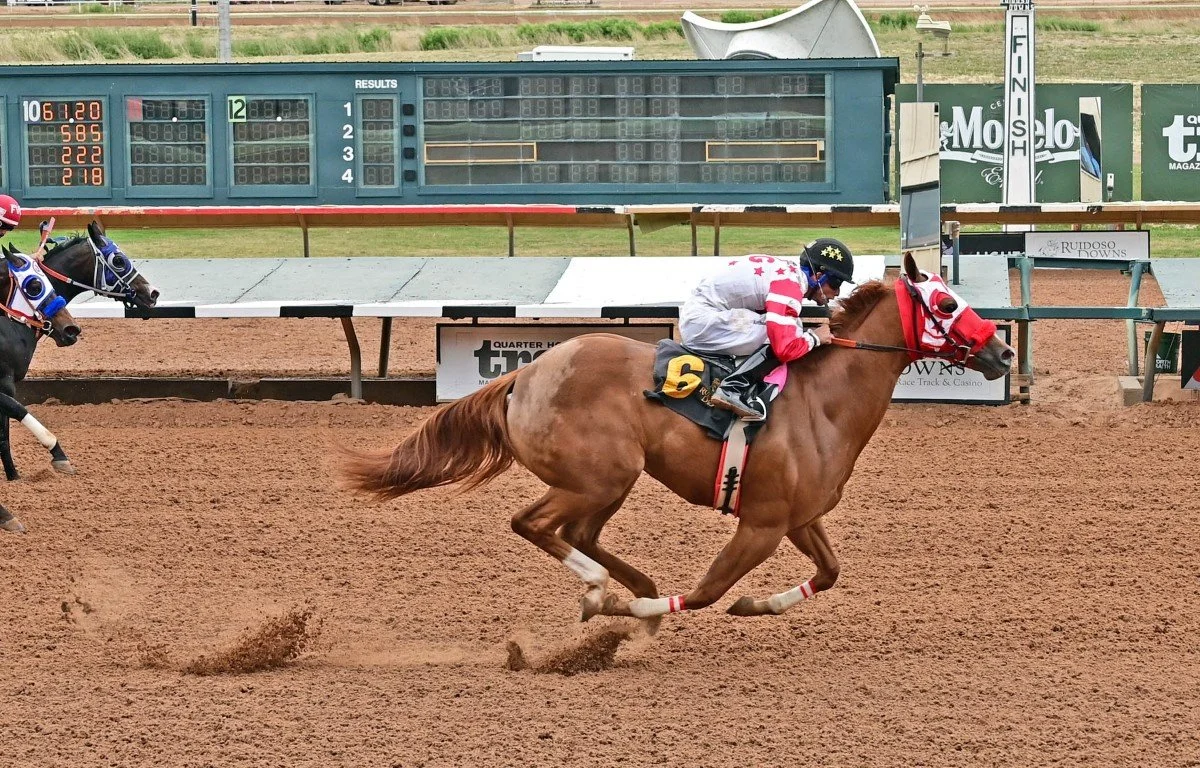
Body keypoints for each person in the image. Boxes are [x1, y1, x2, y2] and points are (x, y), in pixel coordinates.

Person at [678, 238, 856, 421]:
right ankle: (732, 387)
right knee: (787, 332)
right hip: (701, 321)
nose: (837, 293)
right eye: (836, 284)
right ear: (818, 277)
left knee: (791, 326)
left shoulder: (788, 274)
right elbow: (784, 348)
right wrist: (815, 338)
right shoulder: (789, 285)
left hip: (704, 315)